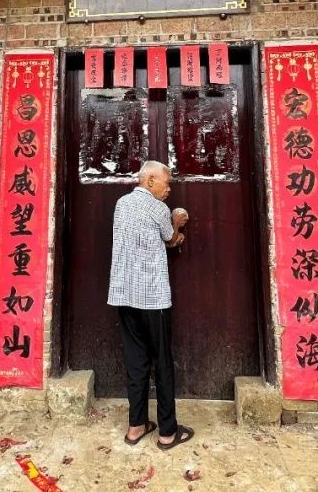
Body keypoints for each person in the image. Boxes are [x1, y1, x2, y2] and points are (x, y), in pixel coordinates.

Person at [107, 160, 195, 450]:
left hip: (124, 295)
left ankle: (136, 427)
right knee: (163, 363)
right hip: (152, 298)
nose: (169, 189)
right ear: (150, 181)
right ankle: (167, 433)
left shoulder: (121, 204)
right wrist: (177, 221)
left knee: (136, 361)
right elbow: (171, 239)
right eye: (166, 184)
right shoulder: (158, 208)